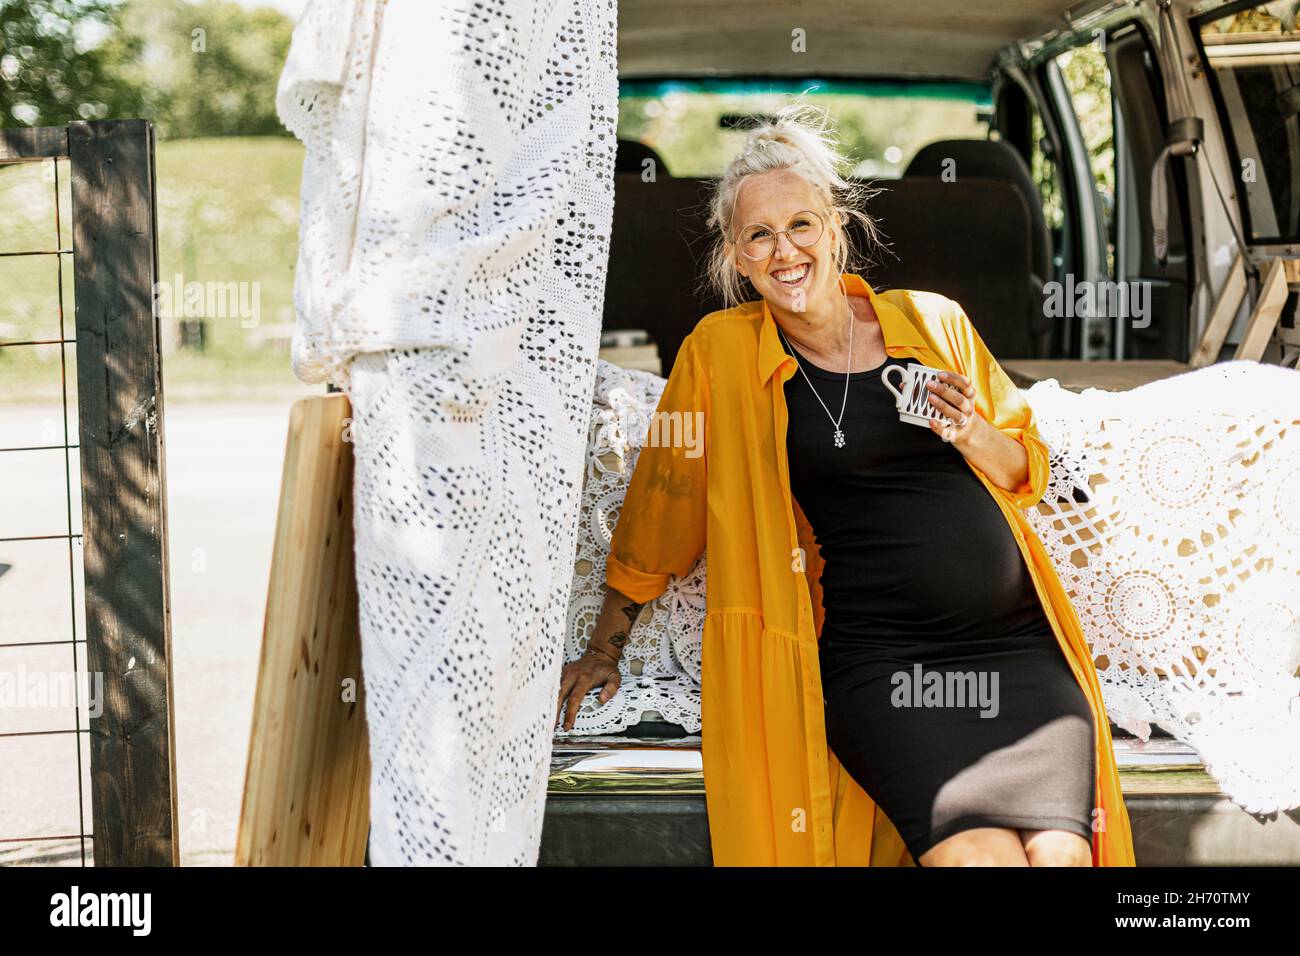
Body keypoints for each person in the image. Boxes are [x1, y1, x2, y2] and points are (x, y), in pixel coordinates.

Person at [556, 103, 1136, 867]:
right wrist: (606, 645)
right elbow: (666, 500)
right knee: (977, 861)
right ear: (735, 255)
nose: (784, 250)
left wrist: (968, 430)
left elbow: (1026, 469)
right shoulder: (719, 354)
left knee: (1065, 856)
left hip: (1019, 653)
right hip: (884, 661)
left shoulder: (934, 322)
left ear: (835, 229)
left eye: (801, 225)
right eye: (758, 235)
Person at [278, 0, 618, 865]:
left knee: (444, 721)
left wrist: (342, 322)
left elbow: (414, 155)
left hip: (431, 359)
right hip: (470, 375)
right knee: (458, 711)